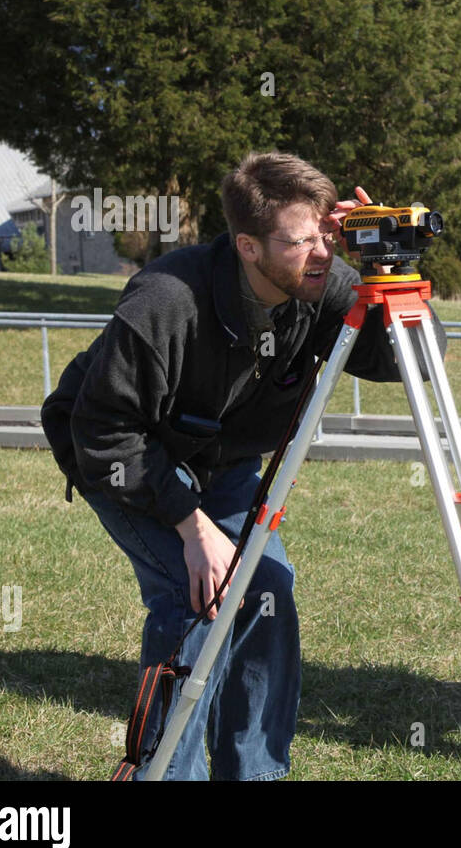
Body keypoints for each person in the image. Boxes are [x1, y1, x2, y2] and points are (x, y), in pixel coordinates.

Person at [41, 151, 420, 780]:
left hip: (226, 463)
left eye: (329, 235)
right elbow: (102, 430)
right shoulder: (166, 299)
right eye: (303, 242)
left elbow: (405, 359)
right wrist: (192, 527)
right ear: (248, 245)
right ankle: (165, 773)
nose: (323, 253)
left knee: (267, 590)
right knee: (200, 600)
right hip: (126, 454)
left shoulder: (323, 281)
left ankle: (254, 774)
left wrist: (387, 271)